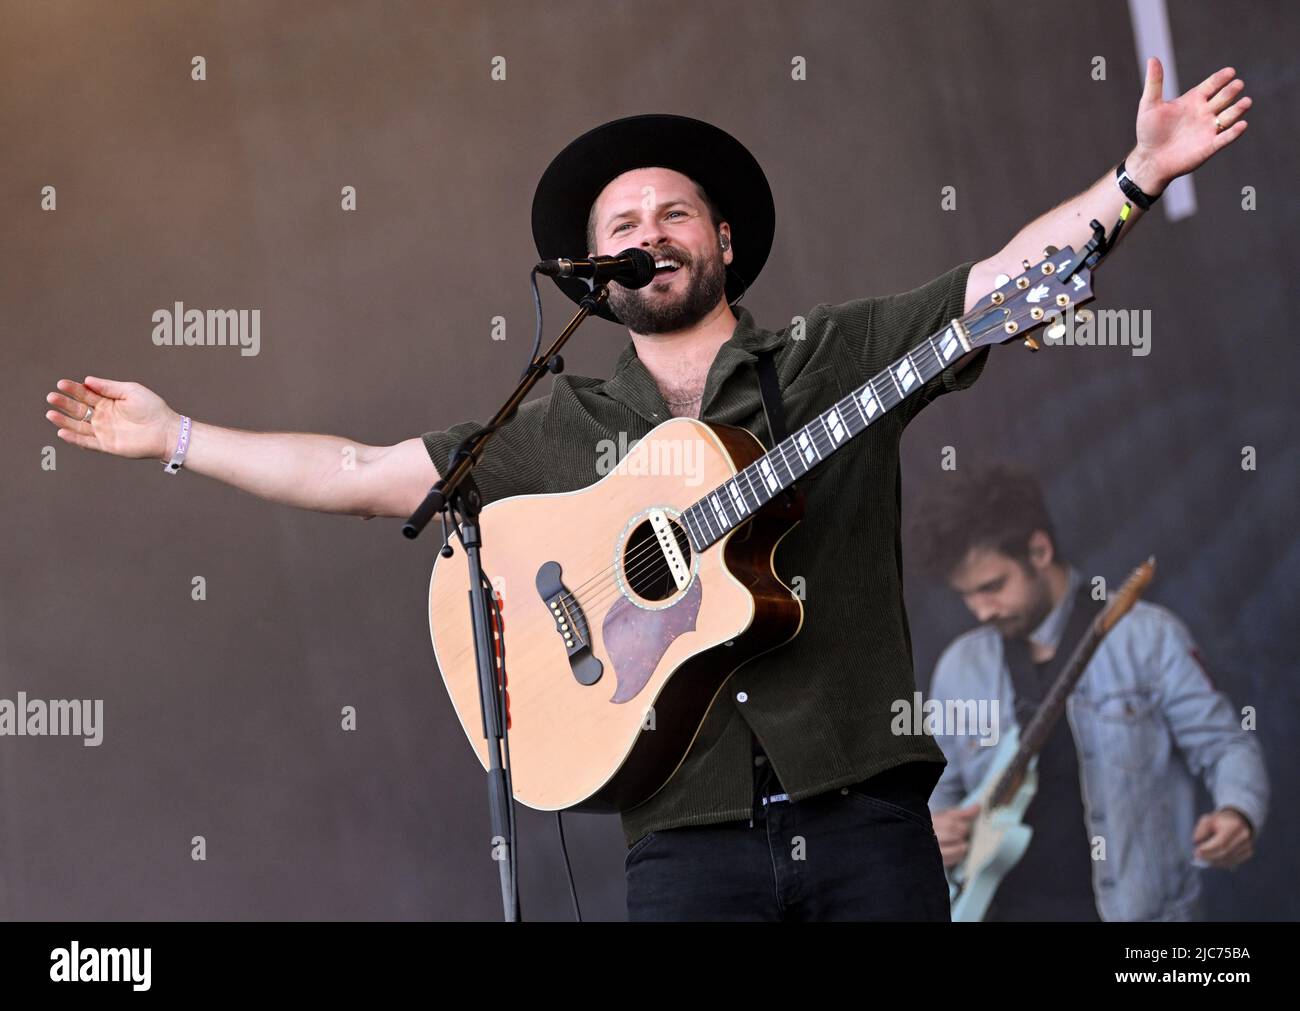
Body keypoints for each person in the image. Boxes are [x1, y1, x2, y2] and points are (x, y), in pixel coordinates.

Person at [43, 60, 1252, 920]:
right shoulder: (556, 421)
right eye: (621, 222)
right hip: (680, 844)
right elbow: (362, 474)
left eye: (675, 210)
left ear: (723, 242)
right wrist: (177, 435)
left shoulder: (829, 357)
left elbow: (999, 282)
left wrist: (1131, 181)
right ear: (593, 272)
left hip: (866, 823)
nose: (650, 228)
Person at [912, 464, 1268, 921]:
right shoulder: (960, 667)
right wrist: (931, 830)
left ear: (1039, 550)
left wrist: (1238, 812)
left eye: (993, 587)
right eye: (967, 596)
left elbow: (1226, 746)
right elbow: (938, 790)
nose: (981, 610)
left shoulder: (1148, 637)